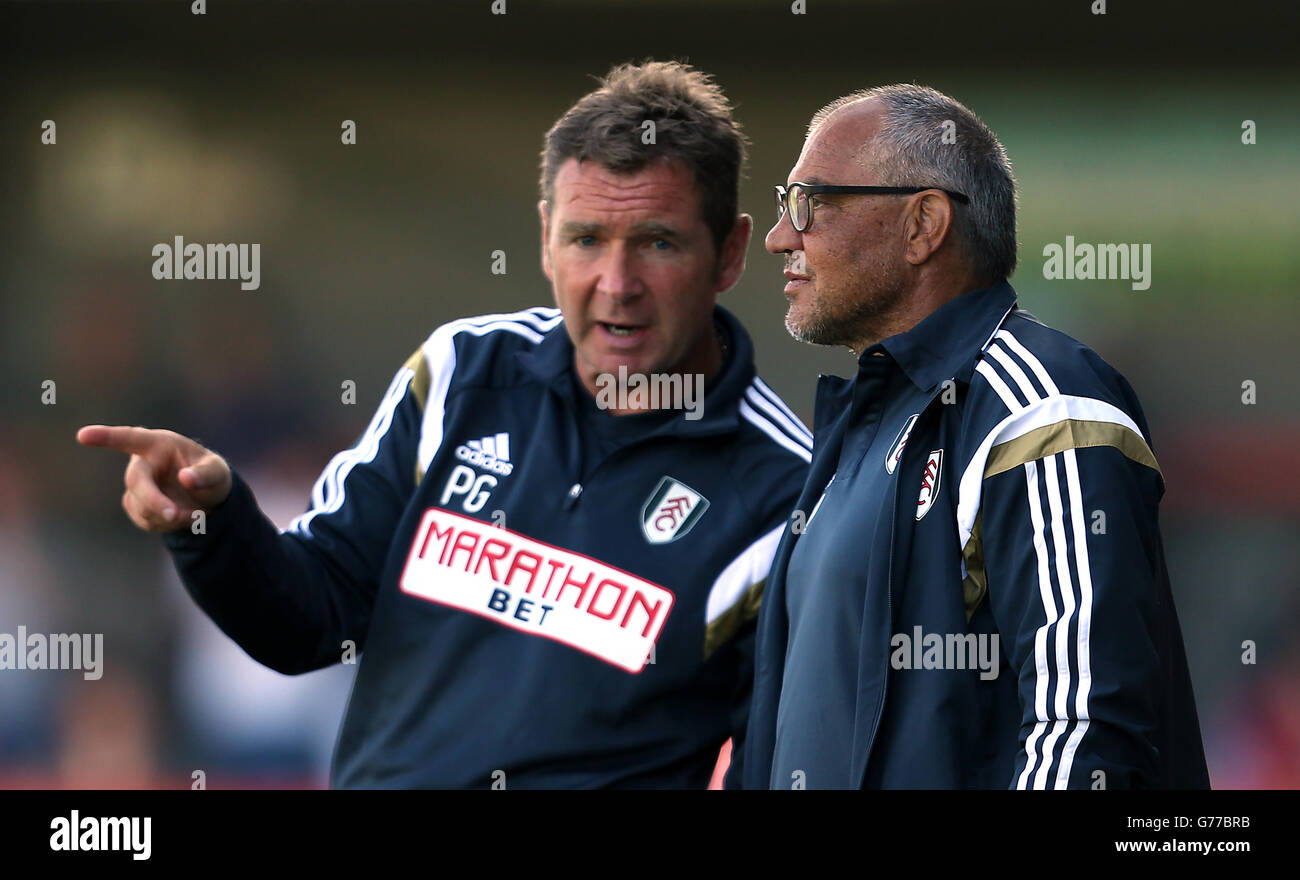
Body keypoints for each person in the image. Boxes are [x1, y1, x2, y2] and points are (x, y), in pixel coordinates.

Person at [78, 60, 810, 789]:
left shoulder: (787, 496)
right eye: (587, 240)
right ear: (546, 236)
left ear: (730, 253)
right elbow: (311, 623)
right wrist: (211, 521)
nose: (616, 285)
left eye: (658, 242)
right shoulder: (463, 373)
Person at [744, 84, 1209, 789]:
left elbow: (1083, 731)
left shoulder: (1042, 403)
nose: (782, 236)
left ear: (923, 224)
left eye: (808, 202)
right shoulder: (859, 427)